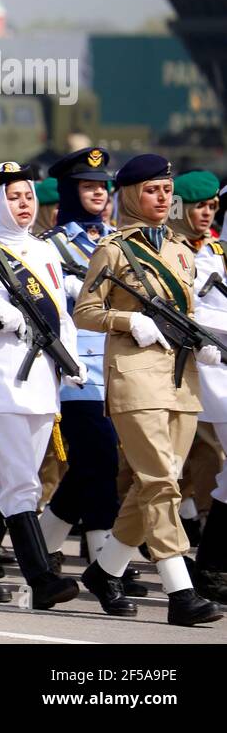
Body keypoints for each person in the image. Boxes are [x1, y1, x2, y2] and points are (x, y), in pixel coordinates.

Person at [73, 153, 224, 626]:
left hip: (181, 378)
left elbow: (190, 313)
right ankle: (180, 589)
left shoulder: (181, 250)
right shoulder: (115, 249)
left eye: (166, 191)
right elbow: (85, 312)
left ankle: (106, 569)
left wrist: (206, 343)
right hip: (136, 377)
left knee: (162, 482)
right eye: (152, 191)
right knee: (159, 480)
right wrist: (128, 320)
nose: (161, 199)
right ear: (132, 195)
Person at [0, 162, 83, 608]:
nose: (24, 205)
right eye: (13, 198)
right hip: (0, 378)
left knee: (10, 482)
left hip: (43, 376)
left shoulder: (44, 252)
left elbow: (61, 314)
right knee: (23, 480)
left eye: (28, 197)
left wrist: (73, 357)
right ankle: (41, 577)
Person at [38, 149, 122, 578]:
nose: (99, 194)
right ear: (71, 192)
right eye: (89, 187)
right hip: (74, 369)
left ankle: (40, 547)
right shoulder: (52, 245)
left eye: (103, 187)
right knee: (101, 456)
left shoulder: (116, 239)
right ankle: (106, 560)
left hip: (116, 366)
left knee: (94, 462)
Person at [180, 172, 227, 602]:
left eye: (211, 206)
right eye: (198, 206)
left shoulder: (216, 251)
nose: (206, 213)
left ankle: (211, 566)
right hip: (193, 368)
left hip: (221, 368)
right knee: (157, 477)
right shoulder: (166, 251)